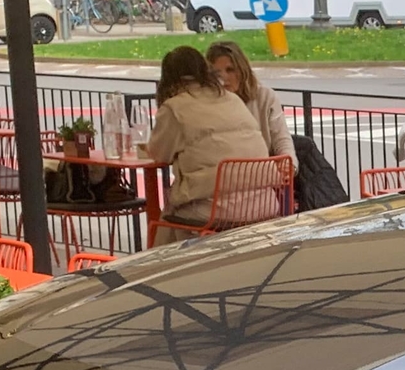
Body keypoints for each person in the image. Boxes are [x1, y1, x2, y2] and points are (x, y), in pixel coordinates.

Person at [144, 45, 270, 241]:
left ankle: (162, 260)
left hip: (216, 210)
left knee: (170, 215)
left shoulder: (174, 108)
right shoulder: (232, 99)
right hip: (263, 203)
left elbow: (159, 154)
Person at [206, 37, 345, 212]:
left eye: (230, 70)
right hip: (228, 182)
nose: (224, 78)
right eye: (217, 73)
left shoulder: (264, 96)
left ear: (242, 70)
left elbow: (281, 137)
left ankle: (335, 210)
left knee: (304, 147)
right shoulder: (206, 104)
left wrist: (288, 164)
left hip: (264, 177)